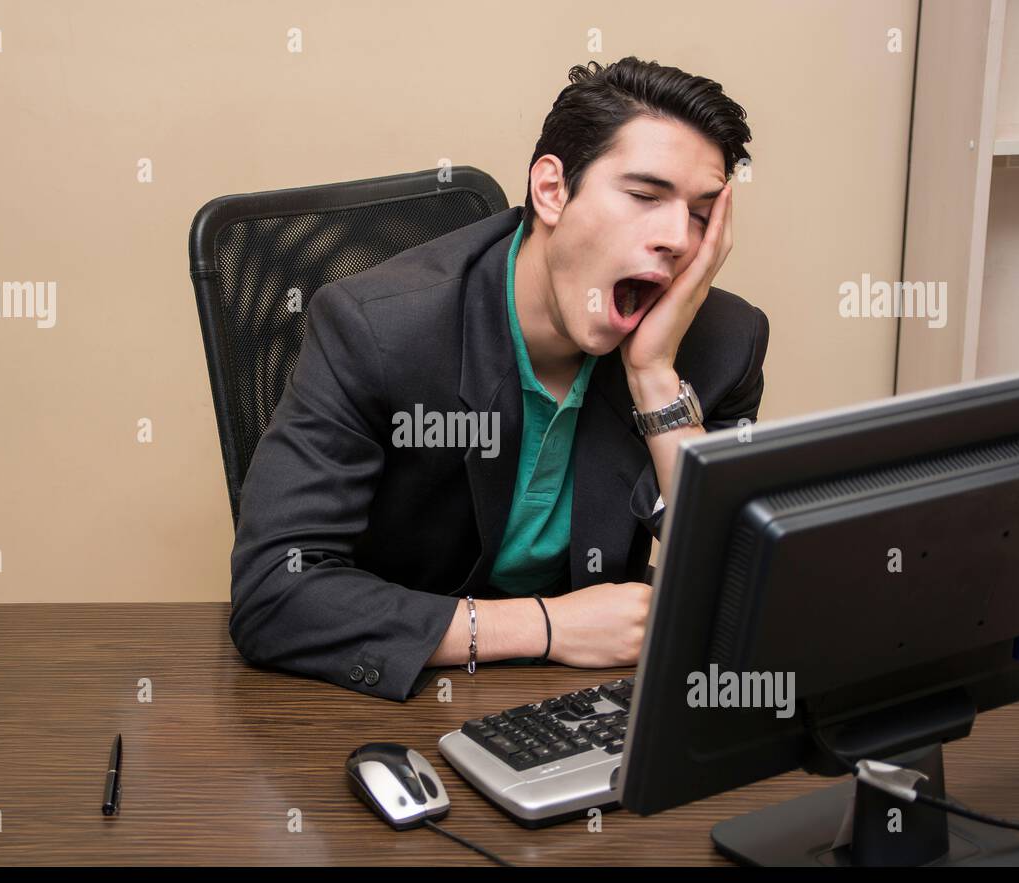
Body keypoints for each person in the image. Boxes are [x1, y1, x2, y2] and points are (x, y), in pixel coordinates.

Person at [229, 57, 769, 700]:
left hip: (591, 701)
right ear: (551, 191)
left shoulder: (719, 344)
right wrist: (546, 628)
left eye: (702, 213)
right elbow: (275, 595)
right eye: (646, 197)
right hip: (400, 693)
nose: (677, 239)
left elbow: (730, 590)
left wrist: (654, 379)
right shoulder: (378, 330)